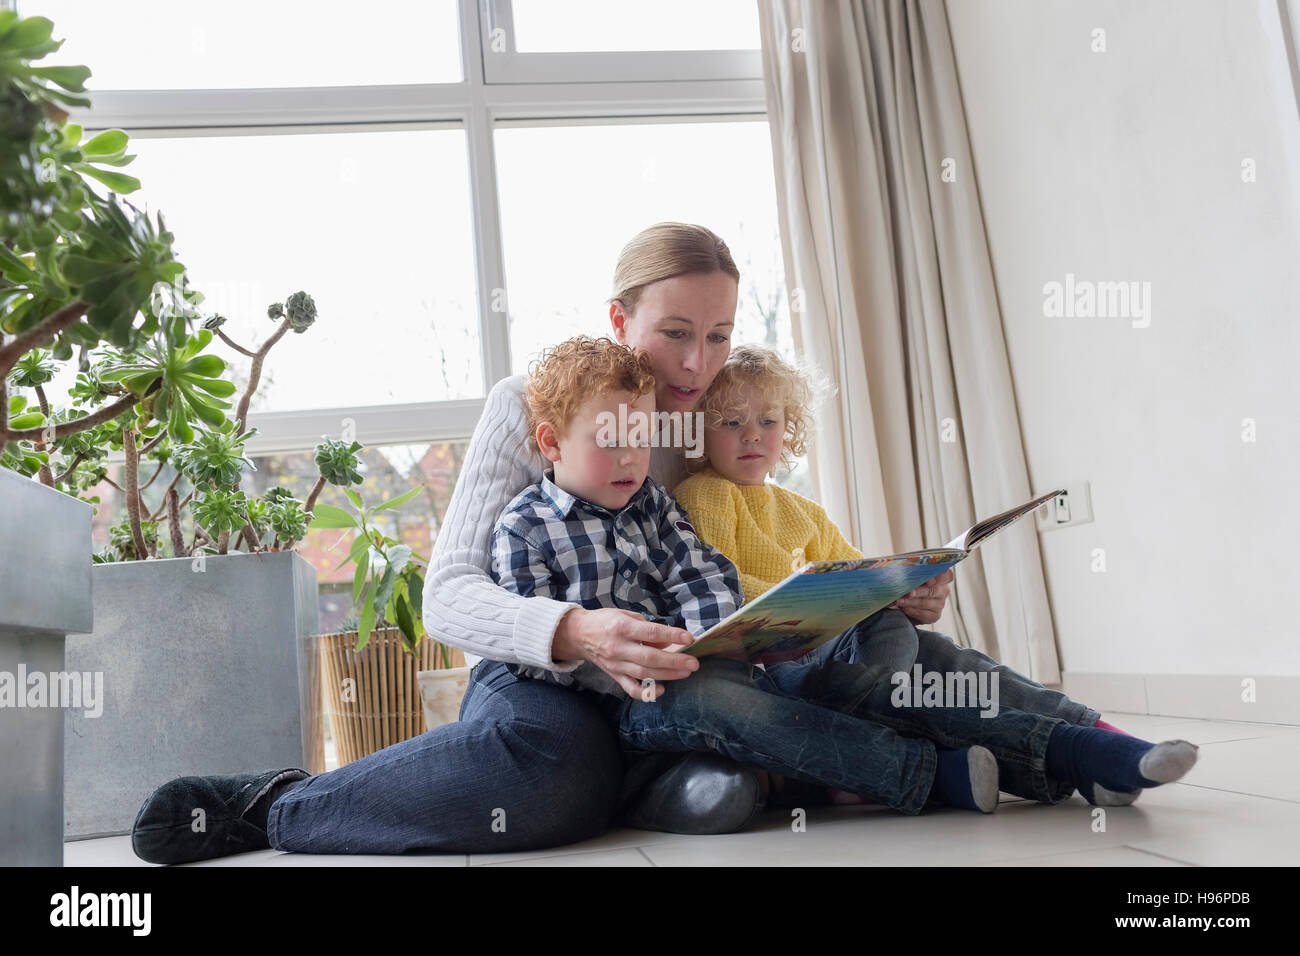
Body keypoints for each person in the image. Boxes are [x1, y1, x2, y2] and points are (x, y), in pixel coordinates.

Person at [659, 344, 1198, 808]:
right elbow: (717, 588)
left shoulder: (802, 509)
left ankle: (1087, 730)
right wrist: (828, 602)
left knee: (939, 653)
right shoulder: (702, 496)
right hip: (774, 673)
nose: (752, 435)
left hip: (839, 661)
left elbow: (859, 572)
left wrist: (905, 590)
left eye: (768, 420)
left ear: (790, 426)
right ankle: (1078, 753)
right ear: (699, 432)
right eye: (731, 422)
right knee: (900, 641)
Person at [493, 333, 1005, 814]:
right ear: (552, 443)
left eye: (642, 437)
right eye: (609, 441)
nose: (630, 458)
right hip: (617, 704)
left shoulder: (650, 502)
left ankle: (1035, 747)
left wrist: (708, 643)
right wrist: (629, 665)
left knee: (774, 688)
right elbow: (533, 649)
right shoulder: (524, 529)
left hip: (688, 671)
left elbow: (703, 576)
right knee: (720, 708)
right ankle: (925, 774)